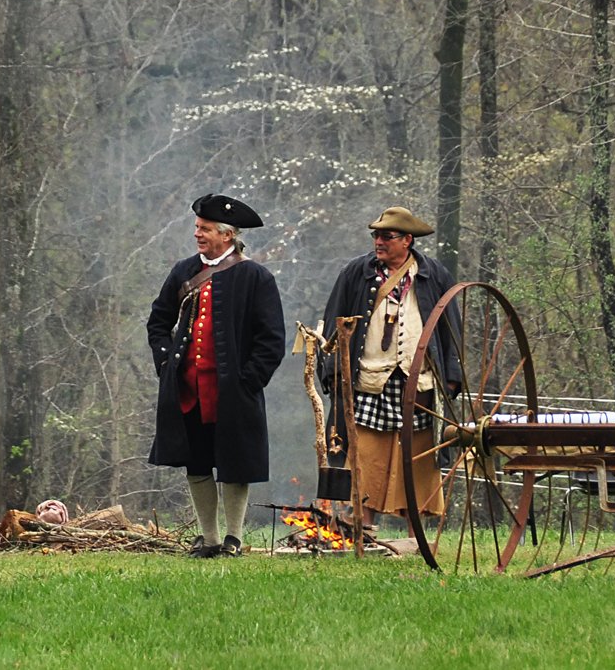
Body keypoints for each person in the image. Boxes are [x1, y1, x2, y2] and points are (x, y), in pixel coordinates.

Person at [146, 194, 286, 558]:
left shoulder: (255, 276)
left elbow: (271, 340)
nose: (197, 234)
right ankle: (208, 538)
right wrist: (167, 365)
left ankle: (233, 539)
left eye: (205, 229)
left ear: (227, 235)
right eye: (197, 227)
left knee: (235, 463)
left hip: (233, 392)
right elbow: (158, 321)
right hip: (189, 389)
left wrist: (248, 381)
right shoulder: (183, 271)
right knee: (196, 460)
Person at [317, 207, 463, 524]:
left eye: (387, 236)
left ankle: (415, 532)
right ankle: (363, 524)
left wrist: (452, 377)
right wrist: (331, 371)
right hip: (369, 379)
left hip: (419, 380)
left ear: (407, 240)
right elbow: (333, 322)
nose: (378, 242)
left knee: (419, 456)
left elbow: (451, 326)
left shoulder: (433, 274)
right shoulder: (356, 273)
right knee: (366, 452)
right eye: (376, 235)